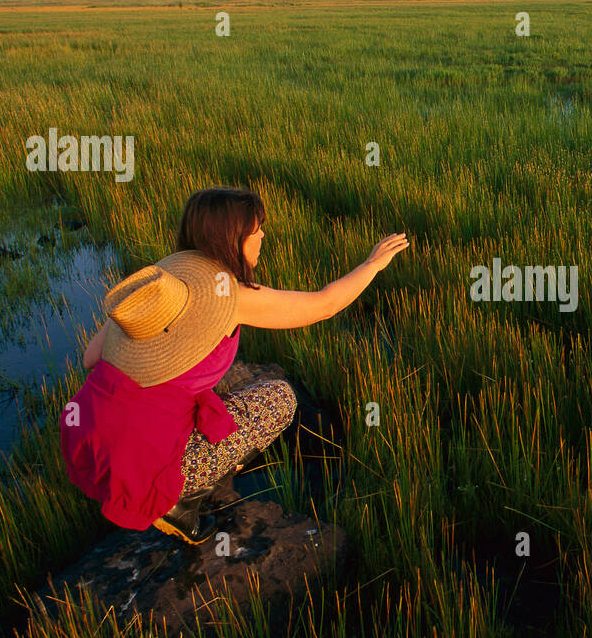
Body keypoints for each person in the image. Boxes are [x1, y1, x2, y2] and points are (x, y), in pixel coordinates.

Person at [59, 186, 409, 544]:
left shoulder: (161, 280)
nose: (263, 236)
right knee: (280, 399)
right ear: (233, 237)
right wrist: (373, 264)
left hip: (86, 436)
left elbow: (91, 357)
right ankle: (178, 499)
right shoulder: (231, 296)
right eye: (256, 229)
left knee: (211, 395)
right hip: (147, 468)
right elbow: (324, 305)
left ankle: (166, 477)